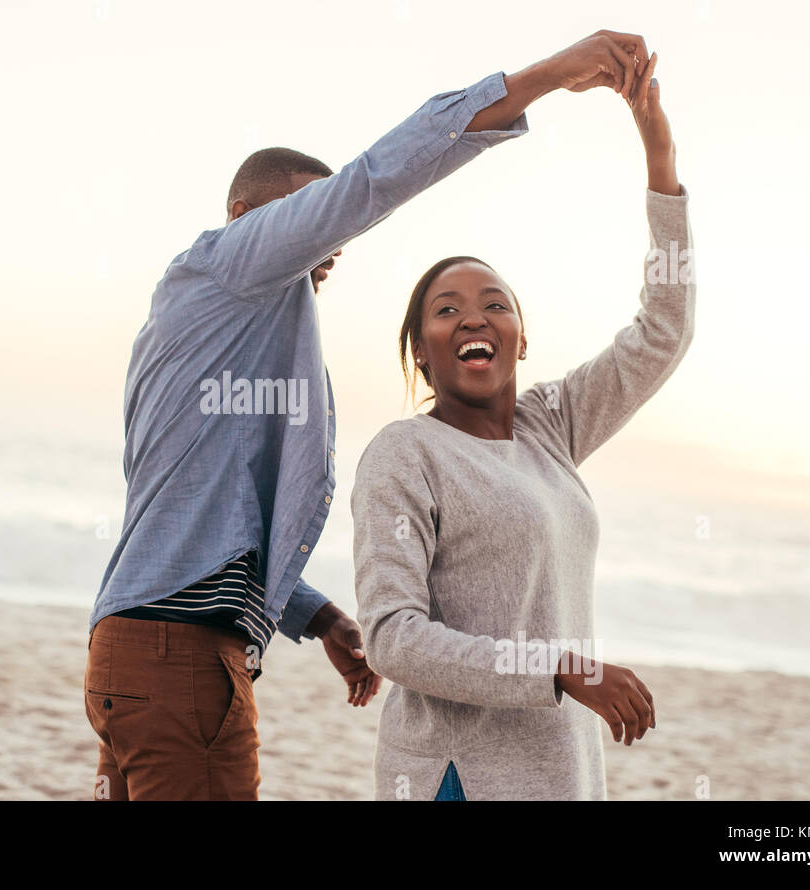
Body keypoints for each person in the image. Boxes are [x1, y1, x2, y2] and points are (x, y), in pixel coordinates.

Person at [85, 30, 655, 801]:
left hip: (145, 650)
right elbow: (373, 181)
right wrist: (549, 76)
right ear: (245, 213)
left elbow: (204, 523)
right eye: (312, 221)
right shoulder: (225, 264)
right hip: (174, 659)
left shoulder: (209, 337)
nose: (329, 248)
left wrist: (316, 615)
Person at [352, 52, 690, 801]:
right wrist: (563, 670)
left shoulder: (552, 428)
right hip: (458, 777)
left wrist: (657, 153)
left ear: (522, 339)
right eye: (446, 309)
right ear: (420, 349)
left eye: (495, 303)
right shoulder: (405, 454)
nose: (474, 315)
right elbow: (393, 638)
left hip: (563, 771)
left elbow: (663, 330)